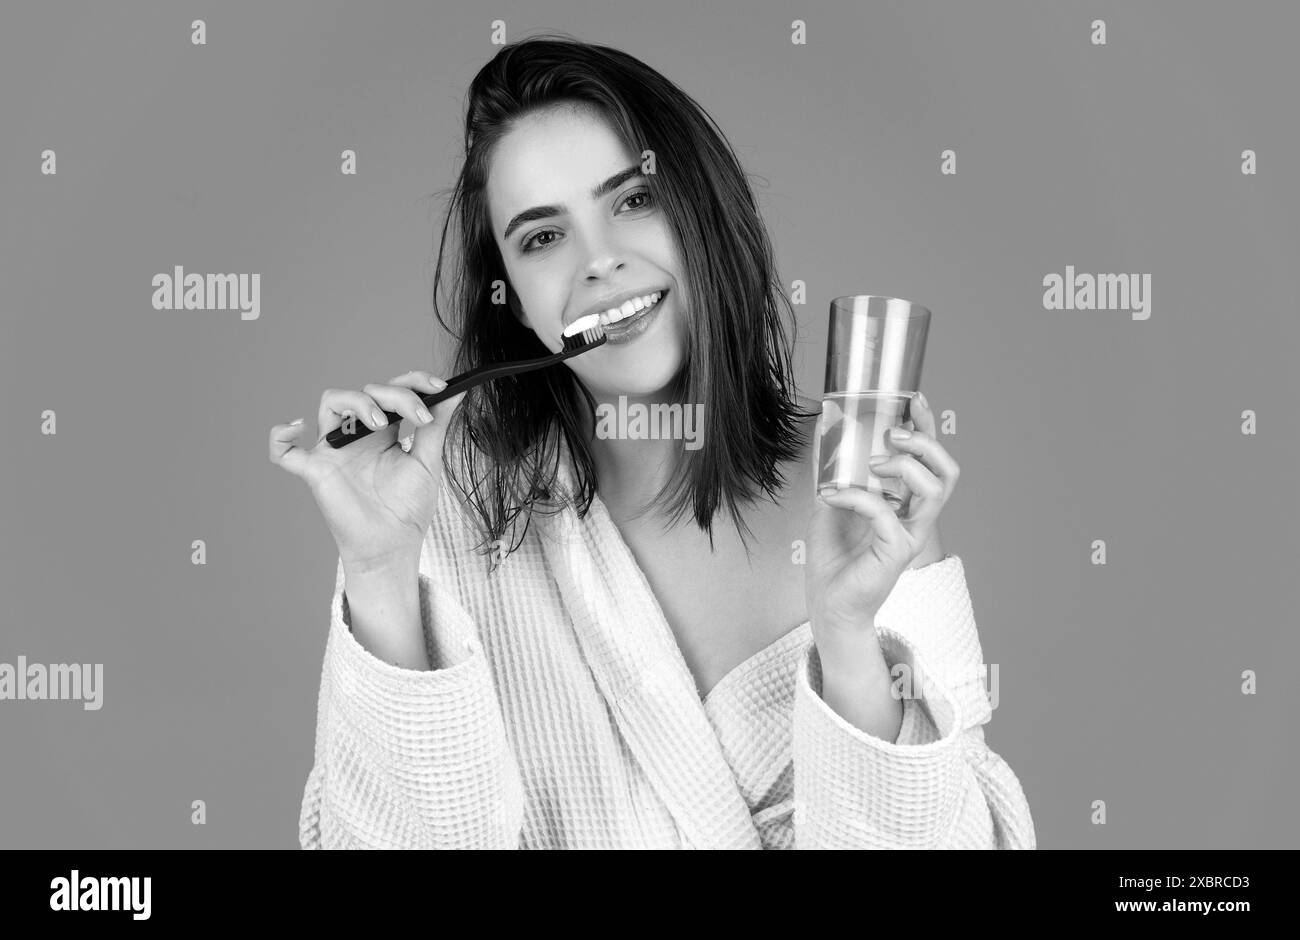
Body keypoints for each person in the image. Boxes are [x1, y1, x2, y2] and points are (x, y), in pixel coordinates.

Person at [269, 34, 1035, 849]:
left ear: (699, 214)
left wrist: (848, 639)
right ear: (518, 305)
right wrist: (383, 575)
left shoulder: (862, 491)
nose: (601, 262)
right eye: (542, 237)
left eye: (633, 201)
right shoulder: (438, 515)